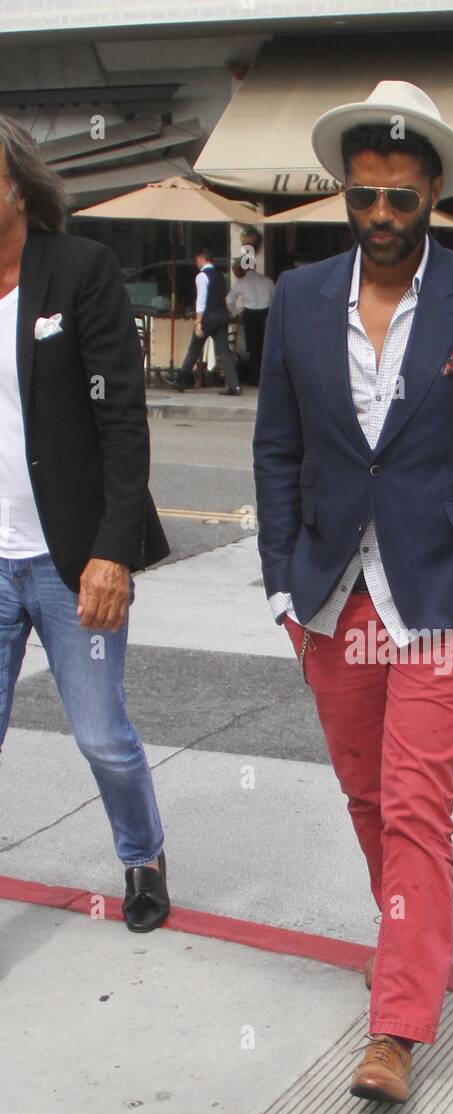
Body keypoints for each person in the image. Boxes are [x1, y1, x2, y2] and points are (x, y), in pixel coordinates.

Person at [253, 80, 453, 1105]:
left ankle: (397, 1027)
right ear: (346, 193)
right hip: (334, 599)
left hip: (443, 595)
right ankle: (407, 938)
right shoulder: (297, 301)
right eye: (363, 197)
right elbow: (277, 448)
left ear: (434, 197)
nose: (380, 217)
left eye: (402, 200)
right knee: (369, 795)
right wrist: (282, 591)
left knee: (418, 806)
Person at [0, 116, 171, 932]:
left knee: (102, 737)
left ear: (17, 186)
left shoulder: (80, 271)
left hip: (69, 559)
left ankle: (141, 856)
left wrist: (113, 550)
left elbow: (124, 421)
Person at [170, 249, 240, 395]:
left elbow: (201, 300)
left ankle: (181, 381)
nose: (196, 263)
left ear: (201, 259)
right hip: (221, 316)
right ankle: (234, 385)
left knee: (194, 348)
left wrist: (198, 321)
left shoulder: (202, 276)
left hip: (208, 318)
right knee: (224, 351)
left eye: (197, 260)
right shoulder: (221, 276)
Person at [226, 258, 275, 384]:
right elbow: (276, 298)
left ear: (243, 268)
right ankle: (268, 378)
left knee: (253, 348)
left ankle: (255, 379)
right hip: (266, 315)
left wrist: (236, 313)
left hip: (250, 316)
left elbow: (229, 301)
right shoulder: (267, 280)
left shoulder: (241, 283)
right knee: (267, 347)